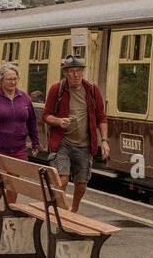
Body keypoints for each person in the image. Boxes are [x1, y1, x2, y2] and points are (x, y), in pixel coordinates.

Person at [0, 62, 40, 228]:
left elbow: (32, 120)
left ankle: (9, 213)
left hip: (18, 147)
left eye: (15, 78)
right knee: (0, 181)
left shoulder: (24, 97)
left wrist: (35, 141)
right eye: (9, 79)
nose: (12, 82)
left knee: (13, 183)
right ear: (1, 80)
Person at [43, 56, 108, 213]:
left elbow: (101, 117)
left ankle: (73, 209)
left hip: (85, 144)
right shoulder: (56, 89)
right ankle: (61, 211)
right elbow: (46, 115)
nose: (76, 75)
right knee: (62, 178)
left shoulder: (92, 90)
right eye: (72, 71)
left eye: (79, 71)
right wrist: (58, 121)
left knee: (81, 183)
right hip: (62, 142)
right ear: (66, 73)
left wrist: (104, 140)